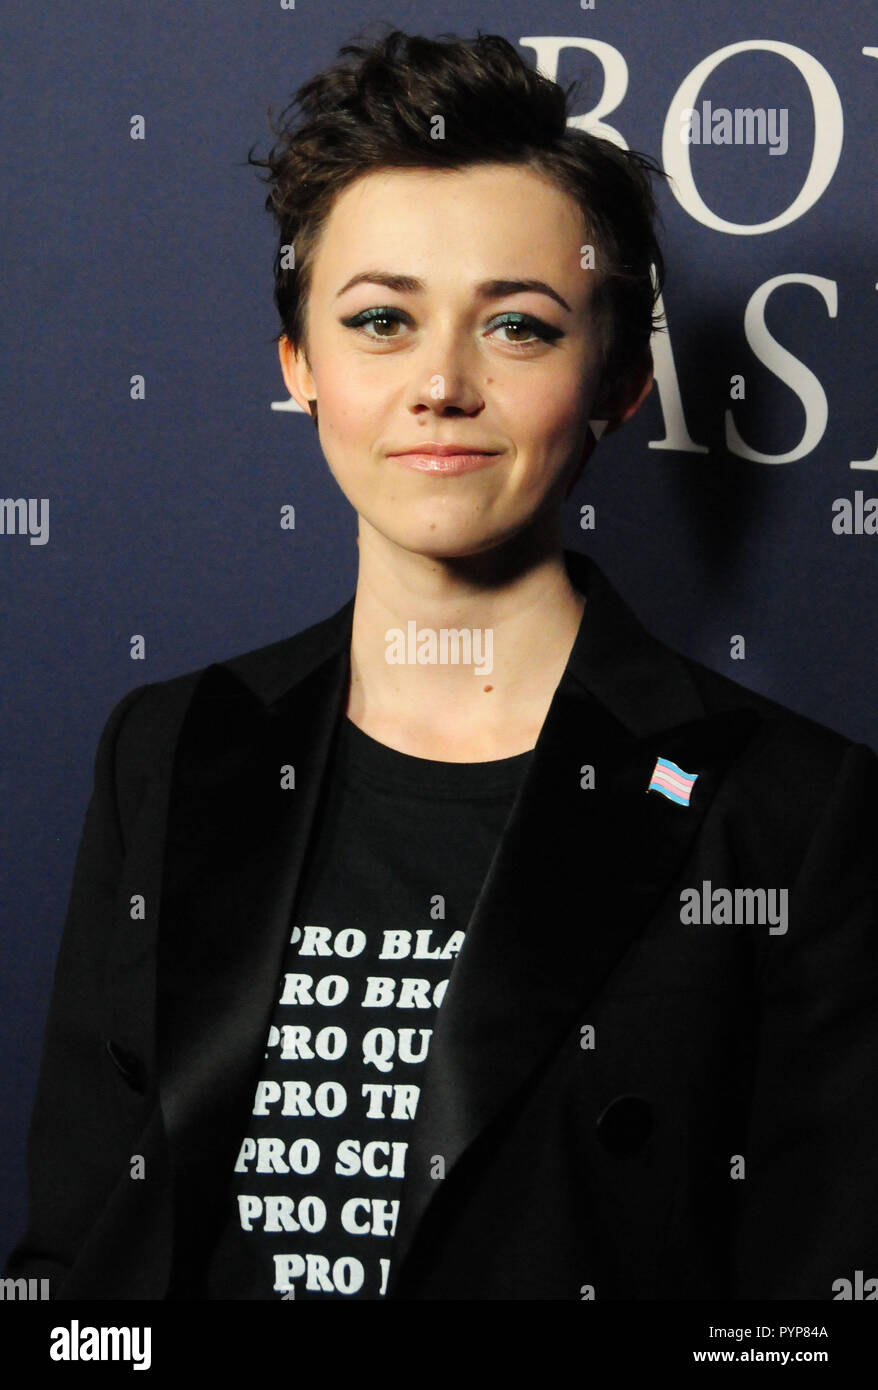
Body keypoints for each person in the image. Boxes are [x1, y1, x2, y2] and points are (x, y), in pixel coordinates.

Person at [6, 27, 878, 1301]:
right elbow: (76, 1268)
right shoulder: (173, 746)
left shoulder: (787, 813)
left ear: (618, 381)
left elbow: (807, 1322)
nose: (439, 385)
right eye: (379, 320)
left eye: (516, 327)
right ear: (299, 367)